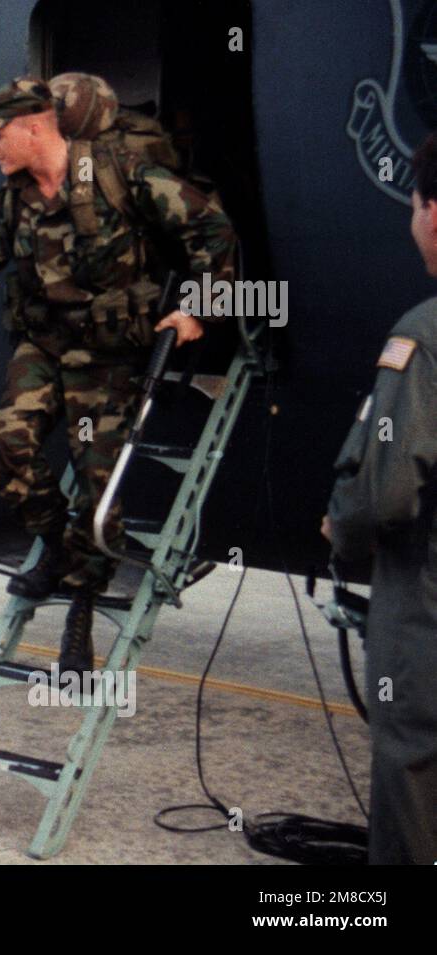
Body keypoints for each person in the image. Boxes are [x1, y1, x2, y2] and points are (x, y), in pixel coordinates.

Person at [0, 75, 237, 675]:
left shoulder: (121, 174)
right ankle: (57, 548)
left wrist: (198, 307)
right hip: (42, 345)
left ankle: (81, 605)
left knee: (101, 489)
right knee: (9, 454)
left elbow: (211, 230)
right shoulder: (12, 201)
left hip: (108, 355)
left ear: (34, 126)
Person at [324, 130, 437, 865]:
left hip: (427, 610)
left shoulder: (423, 335)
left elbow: (386, 492)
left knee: (412, 772)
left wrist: (341, 522)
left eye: (415, 204)